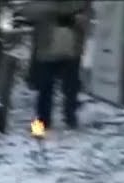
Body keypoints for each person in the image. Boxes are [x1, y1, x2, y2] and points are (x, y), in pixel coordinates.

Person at [22, 0, 90, 130]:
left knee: (71, 88)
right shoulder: (45, 5)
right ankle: (42, 123)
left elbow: (85, 19)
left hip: (71, 51)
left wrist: (78, 19)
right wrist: (58, 11)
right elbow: (29, 12)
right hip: (48, 52)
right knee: (45, 90)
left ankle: (70, 118)